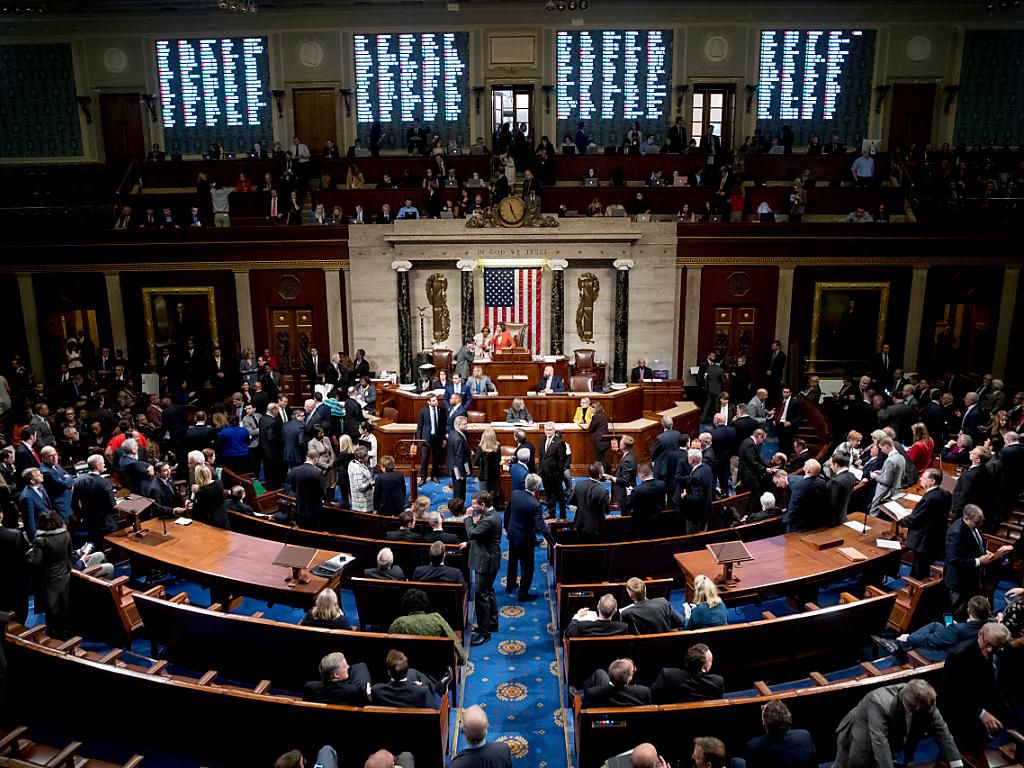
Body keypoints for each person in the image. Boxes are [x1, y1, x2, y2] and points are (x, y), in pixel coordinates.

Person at [833, 679, 962, 768]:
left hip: (890, 730)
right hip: (859, 732)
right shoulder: (879, 702)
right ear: (915, 708)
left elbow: (942, 731)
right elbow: (880, 744)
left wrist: (957, 765)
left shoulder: (926, 699)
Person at [941, 622, 1011, 756]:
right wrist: (981, 713)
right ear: (980, 634)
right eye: (988, 644)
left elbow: (994, 689)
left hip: (987, 705)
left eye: (995, 647)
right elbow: (952, 695)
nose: (990, 650)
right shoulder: (958, 656)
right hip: (960, 712)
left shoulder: (999, 652)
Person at [873, 595, 991, 662]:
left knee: (918, 640)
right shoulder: (989, 626)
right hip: (957, 645)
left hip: (944, 655)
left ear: (969, 611)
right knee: (936, 625)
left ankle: (899, 645)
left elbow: (931, 641)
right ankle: (899, 645)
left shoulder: (959, 629)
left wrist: (908, 638)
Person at [945, 504, 1012, 616]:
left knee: (971, 608)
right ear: (966, 518)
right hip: (959, 581)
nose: (980, 524)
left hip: (973, 578)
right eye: (977, 522)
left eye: (981, 521)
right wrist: (979, 561)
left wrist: (984, 552)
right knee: (956, 611)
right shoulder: (956, 533)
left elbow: (975, 545)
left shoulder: (974, 526)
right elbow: (954, 561)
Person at [388, 588, 467, 663]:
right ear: (425, 603)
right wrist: (462, 658)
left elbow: (391, 646)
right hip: (436, 664)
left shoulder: (399, 623)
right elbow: (453, 638)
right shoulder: (436, 617)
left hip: (410, 665)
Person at [899, 467, 952, 578]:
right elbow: (928, 514)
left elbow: (915, 519)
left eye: (923, 478)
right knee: (924, 567)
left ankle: (916, 592)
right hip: (935, 538)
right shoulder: (946, 494)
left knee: (919, 570)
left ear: (932, 481)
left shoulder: (929, 498)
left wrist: (901, 520)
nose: (920, 479)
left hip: (923, 540)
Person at [28, 510, 74, 639]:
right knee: (64, 607)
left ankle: (53, 636)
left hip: (48, 578)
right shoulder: (66, 535)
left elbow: (35, 563)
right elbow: (70, 556)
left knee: (52, 610)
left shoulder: (40, 540)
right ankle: (66, 634)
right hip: (65, 574)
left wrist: (29, 556)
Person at [466, 491, 502, 645]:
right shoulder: (490, 515)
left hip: (486, 562)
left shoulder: (489, 520)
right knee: (488, 591)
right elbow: (481, 536)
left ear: (483, 505)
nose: (472, 506)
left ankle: (484, 632)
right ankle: (492, 623)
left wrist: (467, 518)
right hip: (488, 557)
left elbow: (472, 533)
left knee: (481, 597)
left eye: (475, 504)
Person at [506, 473, 547, 601]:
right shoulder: (535, 504)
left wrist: (506, 527)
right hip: (525, 539)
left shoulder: (515, 494)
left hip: (512, 534)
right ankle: (523, 594)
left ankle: (510, 585)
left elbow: (508, 512)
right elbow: (541, 526)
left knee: (512, 561)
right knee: (527, 567)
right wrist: (553, 542)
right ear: (536, 488)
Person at [745, 700, 817, 768]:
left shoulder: (754, 746)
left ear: (764, 723)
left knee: (736, 761)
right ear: (789, 720)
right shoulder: (804, 736)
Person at [651, 643, 724, 704]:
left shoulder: (667, 675)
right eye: (711, 660)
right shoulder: (717, 682)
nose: (712, 662)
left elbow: (653, 697)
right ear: (703, 668)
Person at [71, 454, 118, 546]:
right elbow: (112, 504)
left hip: (88, 522)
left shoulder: (78, 481)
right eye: (103, 463)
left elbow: (74, 504)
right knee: (112, 545)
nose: (104, 465)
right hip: (105, 523)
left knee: (96, 546)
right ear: (98, 466)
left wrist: (81, 516)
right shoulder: (105, 482)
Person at [370, 649, 437, 708]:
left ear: (388, 672)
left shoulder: (377, 690)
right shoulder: (422, 692)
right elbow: (435, 714)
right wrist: (415, 687)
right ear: (407, 670)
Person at [619, 577, 685, 634]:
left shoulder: (626, 613)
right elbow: (681, 621)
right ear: (645, 589)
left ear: (630, 596)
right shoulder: (663, 602)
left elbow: (626, 634)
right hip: (667, 644)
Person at [302, 651, 371, 706]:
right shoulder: (353, 691)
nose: (348, 667)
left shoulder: (310, 687)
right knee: (361, 667)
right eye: (345, 666)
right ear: (336, 675)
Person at [582, 658, 652, 707]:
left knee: (599, 672)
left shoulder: (592, 693)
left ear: (609, 674)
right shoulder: (645, 692)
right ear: (629, 679)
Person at [622, 463, 665, 537]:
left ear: (641, 475)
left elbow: (628, 505)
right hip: (658, 521)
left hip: (642, 524)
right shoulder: (662, 484)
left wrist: (629, 495)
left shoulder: (637, 490)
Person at [569, 462, 608, 542]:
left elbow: (572, 501)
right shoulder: (603, 490)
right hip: (595, 527)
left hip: (580, 522)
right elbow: (607, 510)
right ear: (600, 475)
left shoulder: (578, 484)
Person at [538, 421, 568, 519]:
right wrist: (540, 470)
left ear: (554, 430)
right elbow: (541, 456)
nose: (548, 432)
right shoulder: (542, 441)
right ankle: (552, 514)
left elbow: (562, 460)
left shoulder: (559, 442)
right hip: (545, 474)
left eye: (550, 430)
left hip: (555, 475)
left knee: (559, 496)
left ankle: (563, 516)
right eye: (547, 430)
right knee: (549, 495)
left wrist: (558, 473)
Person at [564, 593, 628, 638]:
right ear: (615, 611)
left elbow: (568, 632)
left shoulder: (581, 626)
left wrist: (577, 616)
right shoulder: (623, 628)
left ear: (597, 607)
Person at [192, 464, 228, 530]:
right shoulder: (219, 483)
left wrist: (196, 492)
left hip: (211, 521)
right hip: (222, 517)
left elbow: (199, 509)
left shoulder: (202, 492)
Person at [826, 453, 857, 526]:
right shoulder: (852, 476)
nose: (830, 467)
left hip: (833, 520)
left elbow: (832, 504)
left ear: (836, 465)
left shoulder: (836, 481)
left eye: (831, 465)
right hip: (843, 516)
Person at [447, 415, 470, 503]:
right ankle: (458, 507)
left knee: (458, 489)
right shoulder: (458, 439)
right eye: (464, 424)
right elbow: (459, 457)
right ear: (457, 425)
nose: (466, 425)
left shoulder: (452, 433)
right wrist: (461, 474)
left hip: (454, 465)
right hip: (458, 468)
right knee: (459, 490)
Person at [475, 428, 501, 499]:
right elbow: (499, 460)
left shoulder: (480, 448)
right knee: (494, 493)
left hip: (483, 475)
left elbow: (475, 462)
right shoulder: (497, 447)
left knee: (484, 495)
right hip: (494, 474)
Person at [348, 446, 374, 513]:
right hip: (362, 504)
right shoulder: (357, 469)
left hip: (362, 501)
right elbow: (359, 487)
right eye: (367, 455)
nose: (368, 456)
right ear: (362, 458)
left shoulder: (354, 463)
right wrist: (371, 483)